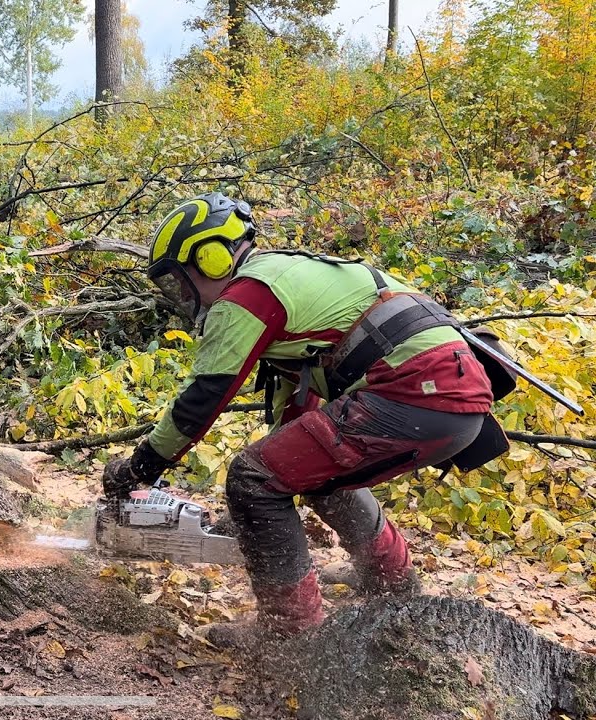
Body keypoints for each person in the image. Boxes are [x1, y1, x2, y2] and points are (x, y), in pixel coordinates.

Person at [102, 192, 512, 644]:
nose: (181, 294)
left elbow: (204, 396)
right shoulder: (286, 276)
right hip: (451, 393)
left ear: (212, 258)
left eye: (182, 281)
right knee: (302, 474)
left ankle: (290, 633)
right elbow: (297, 415)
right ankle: (392, 583)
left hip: (417, 390)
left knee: (251, 478)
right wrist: (246, 515)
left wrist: (140, 467)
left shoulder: (250, 294)